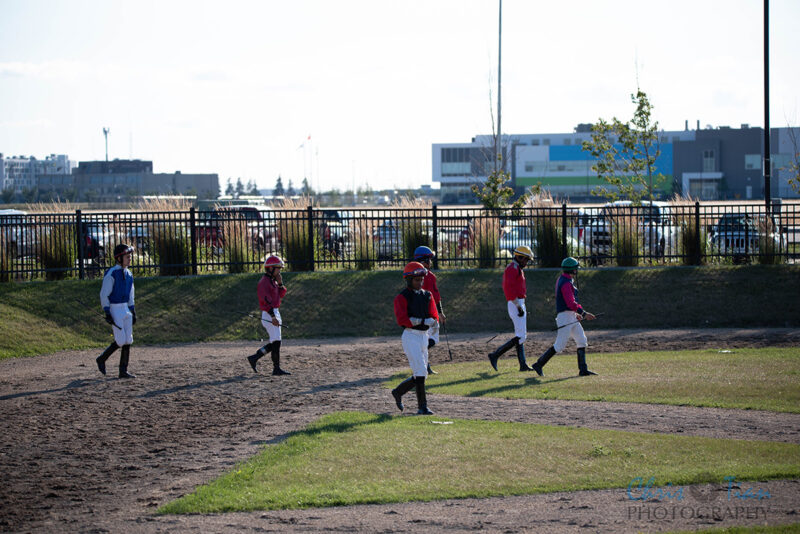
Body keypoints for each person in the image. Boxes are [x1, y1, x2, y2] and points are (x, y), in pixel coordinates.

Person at [532, 257, 597, 377]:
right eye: (575, 269)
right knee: (559, 345)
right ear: (571, 270)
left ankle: (583, 370)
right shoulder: (566, 282)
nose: (576, 271)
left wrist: (576, 314)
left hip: (570, 315)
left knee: (581, 340)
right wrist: (584, 313)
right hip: (565, 317)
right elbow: (570, 303)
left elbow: (570, 304)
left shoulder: (564, 279)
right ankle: (539, 364)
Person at [391, 261, 440, 415]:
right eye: (416, 280)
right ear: (409, 280)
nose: (420, 283)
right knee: (419, 370)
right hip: (411, 336)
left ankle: (398, 392)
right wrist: (422, 321)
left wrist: (434, 322)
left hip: (423, 336)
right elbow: (402, 319)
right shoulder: (402, 297)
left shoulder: (427, 295)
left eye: (421, 280)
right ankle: (422, 406)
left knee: (422, 372)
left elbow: (433, 313)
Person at [488, 245, 534, 372]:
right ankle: (495, 355)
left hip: (518, 302)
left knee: (521, 335)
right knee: (521, 336)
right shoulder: (512, 269)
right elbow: (508, 289)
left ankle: (523, 364)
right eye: (525, 259)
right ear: (519, 257)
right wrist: (518, 306)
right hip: (515, 303)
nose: (526, 262)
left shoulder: (515, 268)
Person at [96, 244, 137, 378]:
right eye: (127, 257)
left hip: (125, 307)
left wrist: (133, 310)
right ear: (119, 258)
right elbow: (104, 294)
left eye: (129, 256)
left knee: (128, 339)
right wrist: (107, 311)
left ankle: (123, 370)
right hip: (115, 307)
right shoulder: (112, 273)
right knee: (120, 340)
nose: (129, 259)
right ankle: (102, 359)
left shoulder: (129, 274)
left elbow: (131, 294)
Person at [247, 255, 291, 376]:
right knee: (276, 342)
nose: (279, 271)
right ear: (271, 268)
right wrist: (272, 316)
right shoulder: (264, 282)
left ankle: (255, 357)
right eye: (278, 268)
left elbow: (280, 295)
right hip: (269, 313)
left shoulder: (272, 281)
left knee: (276, 342)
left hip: (274, 312)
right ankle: (276, 368)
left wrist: (280, 283)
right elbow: (265, 300)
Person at [414, 245, 443, 374]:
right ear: (423, 261)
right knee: (433, 339)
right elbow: (436, 296)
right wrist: (440, 312)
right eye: (429, 259)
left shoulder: (412, 275)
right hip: (429, 313)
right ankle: (419, 354)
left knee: (424, 337)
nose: (430, 262)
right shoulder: (429, 276)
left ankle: (425, 365)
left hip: (417, 312)